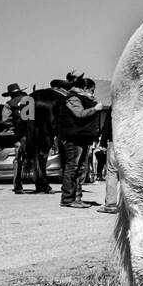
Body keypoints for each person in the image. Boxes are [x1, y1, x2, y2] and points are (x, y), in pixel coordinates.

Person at [53, 71, 98, 208]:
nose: (93, 93)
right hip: (73, 138)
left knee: (80, 168)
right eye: (91, 90)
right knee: (72, 167)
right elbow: (79, 114)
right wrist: (95, 109)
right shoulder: (73, 98)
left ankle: (77, 198)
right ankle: (67, 198)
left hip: (81, 137)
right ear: (84, 89)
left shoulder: (81, 99)